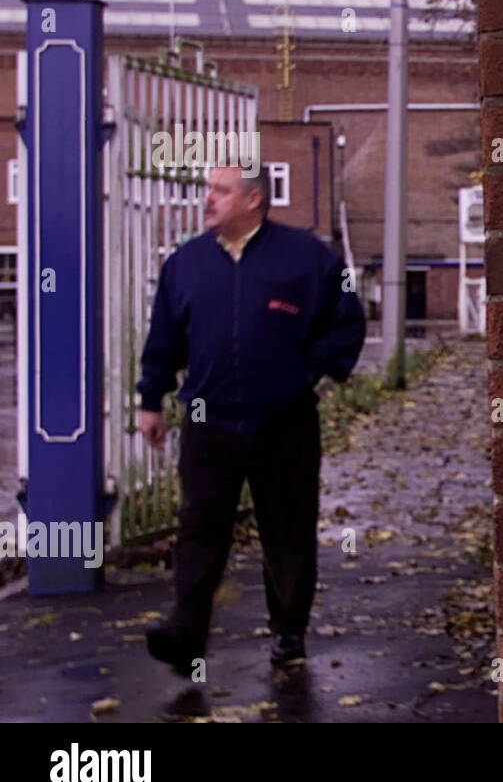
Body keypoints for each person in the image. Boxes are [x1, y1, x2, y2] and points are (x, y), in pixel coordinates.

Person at [137, 162, 365, 675]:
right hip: (208, 421)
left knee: (287, 529)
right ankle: (185, 634)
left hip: (283, 422)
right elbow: (163, 340)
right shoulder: (185, 264)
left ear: (254, 200)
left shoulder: (306, 258)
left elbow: (346, 323)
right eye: (208, 189)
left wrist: (306, 373)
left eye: (221, 190)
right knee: (199, 528)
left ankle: (288, 632)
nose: (208, 198)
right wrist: (151, 399)